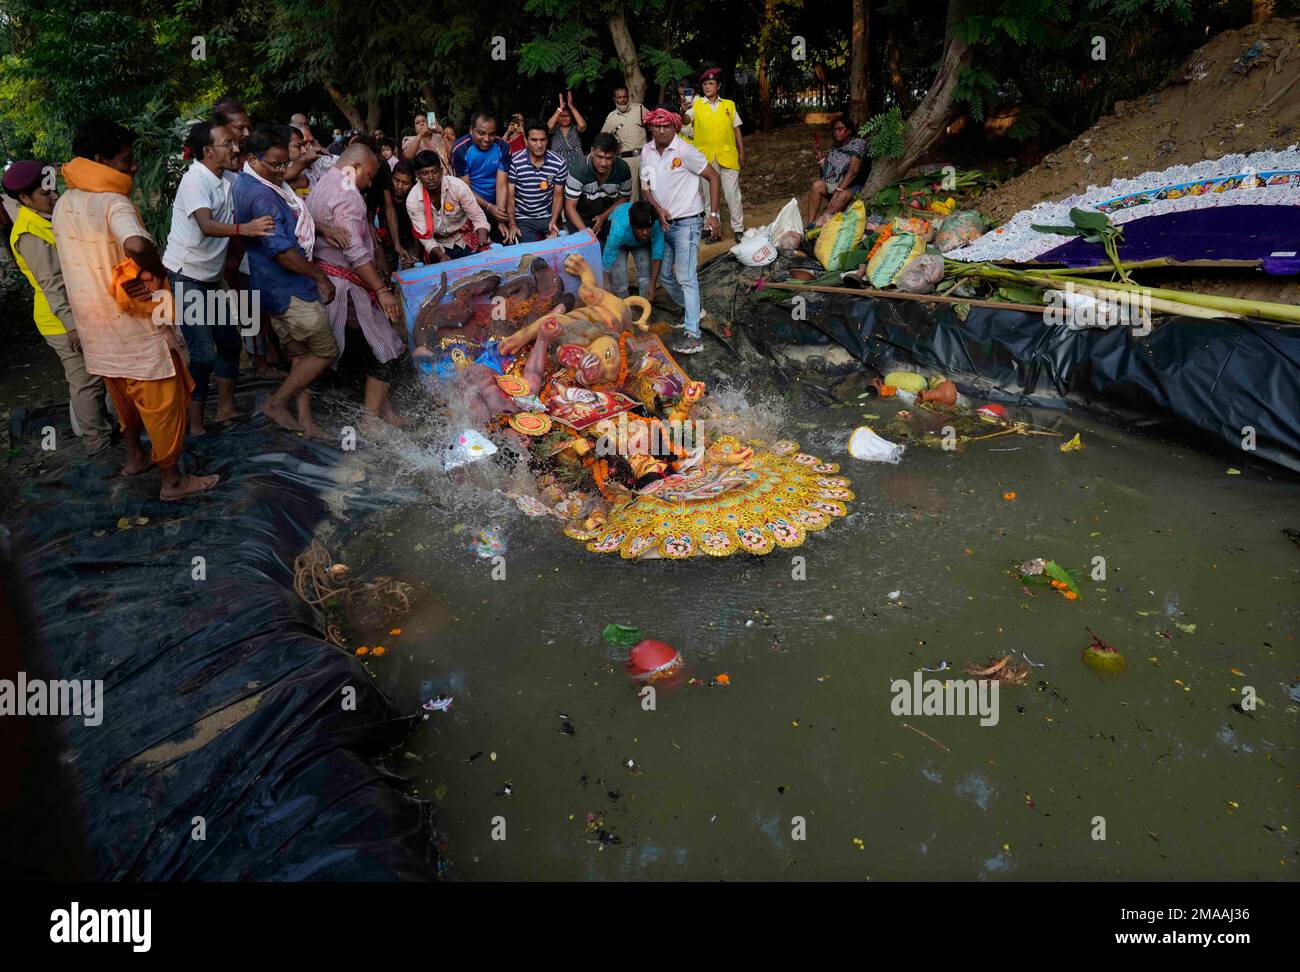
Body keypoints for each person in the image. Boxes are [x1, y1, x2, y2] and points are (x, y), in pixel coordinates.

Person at [52, 120, 219, 499]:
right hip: (135, 331)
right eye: (127, 160)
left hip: (96, 330)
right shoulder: (114, 202)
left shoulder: (64, 202)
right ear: (100, 160)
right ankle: (173, 481)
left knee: (123, 400)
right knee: (162, 406)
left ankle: (133, 458)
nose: (133, 167)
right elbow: (137, 245)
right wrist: (157, 270)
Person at [163, 122, 274, 435]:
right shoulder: (195, 180)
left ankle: (225, 409)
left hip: (212, 276)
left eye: (235, 143)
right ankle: (195, 424)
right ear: (207, 152)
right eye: (228, 143)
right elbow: (206, 225)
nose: (235, 148)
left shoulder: (228, 178)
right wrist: (246, 229)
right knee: (202, 352)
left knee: (228, 342)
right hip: (186, 275)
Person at [232, 123, 338, 438]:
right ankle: (277, 403)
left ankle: (305, 420)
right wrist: (320, 276)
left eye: (284, 163)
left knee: (302, 355)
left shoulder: (253, 180)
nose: (282, 171)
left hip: (272, 284)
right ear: (253, 158)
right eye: (276, 164)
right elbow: (282, 252)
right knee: (324, 351)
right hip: (288, 287)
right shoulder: (262, 196)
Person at [5, 160, 113, 455]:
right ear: (25, 199)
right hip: (62, 319)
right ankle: (97, 445)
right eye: (45, 193)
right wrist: (72, 326)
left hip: (81, 310)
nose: (54, 196)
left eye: (54, 189)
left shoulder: (46, 218)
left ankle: (102, 430)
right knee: (85, 381)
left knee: (98, 377)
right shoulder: (29, 233)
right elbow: (52, 284)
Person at [306, 144, 408, 431]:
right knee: (386, 351)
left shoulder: (325, 180)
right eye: (371, 175)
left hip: (332, 279)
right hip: (346, 286)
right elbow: (355, 253)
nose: (371, 182)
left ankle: (382, 412)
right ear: (359, 168)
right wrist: (382, 289)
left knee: (368, 347)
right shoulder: (348, 196)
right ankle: (369, 420)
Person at [639, 106, 721, 355]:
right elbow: (646, 187)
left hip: (688, 222)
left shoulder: (685, 150)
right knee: (665, 275)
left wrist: (714, 215)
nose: (661, 130)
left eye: (666, 126)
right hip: (663, 223)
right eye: (657, 126)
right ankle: (693, 312)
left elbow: (714, 177)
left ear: (675, 127)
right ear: (650, 127)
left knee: (686, 277)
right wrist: (658, 208)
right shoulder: (646, 150)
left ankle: (694, 336)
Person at [683, 67, 745, 243]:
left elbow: (736, 129)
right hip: (705, 158)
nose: (707, 87)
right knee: (708, 196)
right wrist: (683, 111)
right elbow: (686, 120)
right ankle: (711, 229)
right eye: (704, 84)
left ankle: (738, 228)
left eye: (711, 83)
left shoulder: (729, 105)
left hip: (728, 155)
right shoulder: (696, 105)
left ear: (717, 86)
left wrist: (742, 151)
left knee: (733, 194)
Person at [407, 150, 489, 262]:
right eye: (425, 173)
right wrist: (441, 255)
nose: (431, 177)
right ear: (417, 175)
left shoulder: (457, 186)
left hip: (464, 238)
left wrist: (482, 239)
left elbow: (477, 216)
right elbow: (425, 237)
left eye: (434, 172)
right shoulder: (413, 200)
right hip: (437, 246)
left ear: (441, 171)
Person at [450, 111, 511, 242]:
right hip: (470, 206)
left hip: (497, 204)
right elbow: (465, 189)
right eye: (481, 133)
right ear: (471, 130)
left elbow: (501, 185)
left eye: (491, 134)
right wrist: (488, 207)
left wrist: (500, 219)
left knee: (502, 241)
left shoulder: (503, 146)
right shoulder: (460, 149)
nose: (487, 139)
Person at [506, 119, 567, 244]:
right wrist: (512, 224)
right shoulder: (515, 162)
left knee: (560, 249)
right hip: (523, 218)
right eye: (534, 140)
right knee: (531, 256)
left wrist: (554, 221)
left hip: (548, 216)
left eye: (542, 140)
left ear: (547, 140)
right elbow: (510, 197)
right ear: (526, 141)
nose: (539, 145)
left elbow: (558, 196)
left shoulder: (559, 163)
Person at [564, 132, 631, 242]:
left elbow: (624, 199)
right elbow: (570, 206)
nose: (603, 163)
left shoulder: (623, 169)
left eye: (608, 158)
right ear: (592, 151)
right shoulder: (579, 169)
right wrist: (586, 234)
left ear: (615, 156)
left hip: (607, 218)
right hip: (579, 218)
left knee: (605, 253)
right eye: (600, 157)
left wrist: (603, 217)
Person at [806, 117, 866, 226]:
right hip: (835, 185)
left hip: (852, 185)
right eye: (834, 130)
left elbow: (853, 171)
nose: (836, 132)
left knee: (842, 195)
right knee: (816, 185)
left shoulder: (858, 144)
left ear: (849, 130)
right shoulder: (835, 147)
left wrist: (838, 191)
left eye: (840, 129)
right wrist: (821, 159)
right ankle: (810, 223)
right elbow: (827, 175)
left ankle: (817, 225)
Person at [601, 200, 663, 301]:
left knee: (645, 273)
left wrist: (653, 284)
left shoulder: (655, 224)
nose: (645, 232)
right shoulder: (618, 231)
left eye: (648, 228)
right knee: (619, 278)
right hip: (620, 242)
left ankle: (645, 305)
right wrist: (606, 287)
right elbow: (607, 262)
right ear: (632, 225)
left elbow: (657, 254)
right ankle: (625, 307)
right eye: (640, 229)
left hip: (640, 243)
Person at [600, 85, 647, 201]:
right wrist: (613, 145)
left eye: (625, 97)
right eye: (619, 97)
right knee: (632, 195)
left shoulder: (640, 109)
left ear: (628, 96)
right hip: (626, 160)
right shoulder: (611, 117)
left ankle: (652, 218)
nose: (622, 100)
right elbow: (603, 139)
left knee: (650, 191)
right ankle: (632, 219)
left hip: (645, 157)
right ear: (614, 99)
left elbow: (653, 123)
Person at [387, 160, 419, 268]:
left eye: (405, 183)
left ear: (413, 183)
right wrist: (397, 244)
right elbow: (389, 210)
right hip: (387, 239)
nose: (399, 186)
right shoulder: (387, 188)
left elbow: (414, 223)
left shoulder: (415, 195)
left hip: (410, 239)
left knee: (410, 266)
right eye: (396, 180)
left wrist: (416, 252)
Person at [547, 92, 587, 171]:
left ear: (571, 117)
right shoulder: (554, 129)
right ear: (557, 118)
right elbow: (548, 127)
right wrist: (560, 109)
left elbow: (582, 125)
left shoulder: (575, 128)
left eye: (567, 116)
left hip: (577, 164)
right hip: (557, 164)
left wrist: (571, 106)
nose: (565, 119)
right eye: (562, 116)